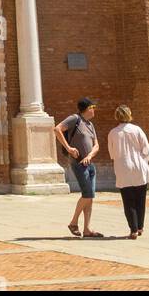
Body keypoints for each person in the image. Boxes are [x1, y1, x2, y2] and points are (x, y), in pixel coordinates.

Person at [55, 97, 103, 238]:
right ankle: (73, 222)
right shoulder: (75, 119)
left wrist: (90, 156)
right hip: (78, 163)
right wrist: (69, 148)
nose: (94, 110)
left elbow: (97, 145)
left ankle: (87, 229)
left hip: (90, 164)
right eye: (93, 108)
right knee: (87, 194)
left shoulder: (90, 125)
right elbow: (57, 129)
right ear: (88, 109)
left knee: (90, 196)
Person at [107, 104, 149, 239]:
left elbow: (112, 153)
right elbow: (147, 149)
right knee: (140, 199)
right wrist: (146, 161)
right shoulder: (137, 130)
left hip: (123, 167)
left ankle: (133, 229)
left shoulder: (113, 133)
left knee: (128, 200)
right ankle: (140, 227)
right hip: (139, 166)